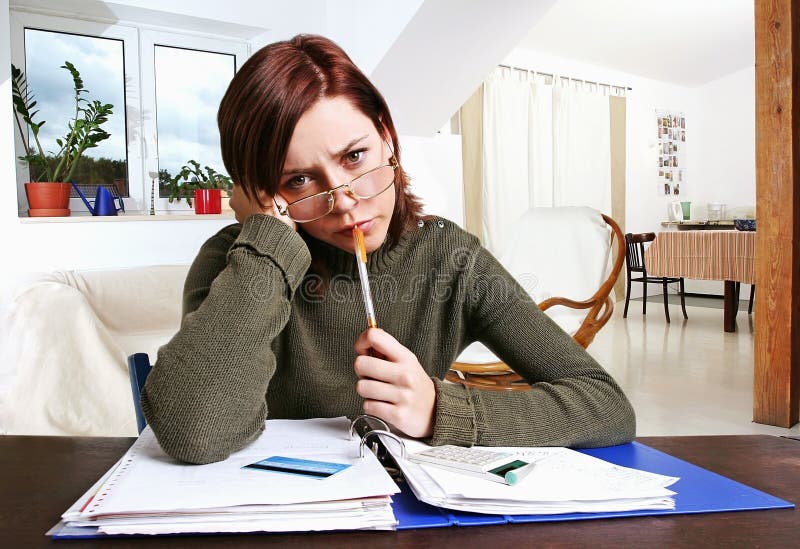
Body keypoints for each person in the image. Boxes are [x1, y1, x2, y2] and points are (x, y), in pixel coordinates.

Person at [141, 34, 635, 465]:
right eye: (298, 179)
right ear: (261, 192)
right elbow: (194, 434)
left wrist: (440, 410)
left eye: (355, 156)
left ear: (386, 136)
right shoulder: (239, 259)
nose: (343, 201)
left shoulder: (450, 257)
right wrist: (268, 243)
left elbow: (606, 406)